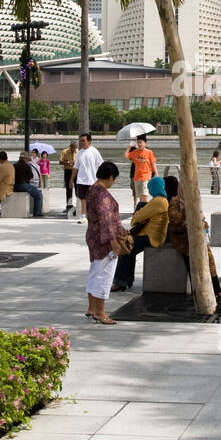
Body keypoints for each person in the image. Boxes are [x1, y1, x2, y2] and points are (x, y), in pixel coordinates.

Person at [163, 175, 221, 298]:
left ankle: (216, 290)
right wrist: (187, 223)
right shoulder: (175, 203)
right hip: (183, 239)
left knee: (209, 260)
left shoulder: (193, 202)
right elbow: (175, 223)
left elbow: (202, 219)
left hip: (196, 238)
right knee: (191, 261)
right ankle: (197, 291)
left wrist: (201, 223)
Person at [111, 175, 170, 292]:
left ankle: (120, 281)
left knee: (126, 247)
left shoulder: (158, 201)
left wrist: (140, 210)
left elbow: (135, 218)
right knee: (130, 249)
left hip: (151, 237)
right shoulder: (163, 201)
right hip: (154, 235)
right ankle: (126, 279)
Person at [84, 161, 126, 324]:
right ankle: (100, 313)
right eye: (114, 179)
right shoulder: (102, 194)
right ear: (109, 177)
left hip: (93, 236)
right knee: (104, 275)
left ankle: (92, 308)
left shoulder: (92, 189)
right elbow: (106, 220)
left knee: (95, 272)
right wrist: (113, 241)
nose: (113, 182)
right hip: (104, 241)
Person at [73, 133, 103, 223]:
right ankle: (83, 217)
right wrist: (71, 180)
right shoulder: (79, 152)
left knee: (93, 199)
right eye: (81, 140)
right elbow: (75, 167)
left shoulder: (94, 151)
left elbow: (101, 165)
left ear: (89, 141)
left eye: (84, 140)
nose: (82, 142)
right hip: (81, 180)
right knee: (83, 199)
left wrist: (101, 179)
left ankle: (95, 216)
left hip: (92, 180)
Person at [126, 134, 157, 205]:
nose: (139, 143)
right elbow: (128, 156)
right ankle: (135, 204)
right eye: (138, 141)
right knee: (135, 190)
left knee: (145, 193)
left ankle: (143, 208)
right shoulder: (134, 149)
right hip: (135, 172)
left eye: (141, 142)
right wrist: (132, 147)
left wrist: (155, 173)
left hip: (146, 174)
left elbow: (152, 163)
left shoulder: (148, 151)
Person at [14, 150, 44, 216]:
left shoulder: (14, 165)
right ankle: (37, 212)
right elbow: (31, 176)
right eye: (27, 159)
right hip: (23, 185)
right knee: (38, 194)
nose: (27, 161)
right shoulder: (27, 166)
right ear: (25, 158)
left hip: (15, 186)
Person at [60, 142, 77, 212]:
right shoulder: (65, 152)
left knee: (78, 188)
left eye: (75, 147)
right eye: (73, 147)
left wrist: (75, 163)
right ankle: (69, 205)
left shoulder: (78, 152)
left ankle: (79, 205)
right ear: (70, 146)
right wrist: (68, 163)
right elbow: (60, 161)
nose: (74, 149)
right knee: (69, 189)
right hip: (68, 170)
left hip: (76, 171)